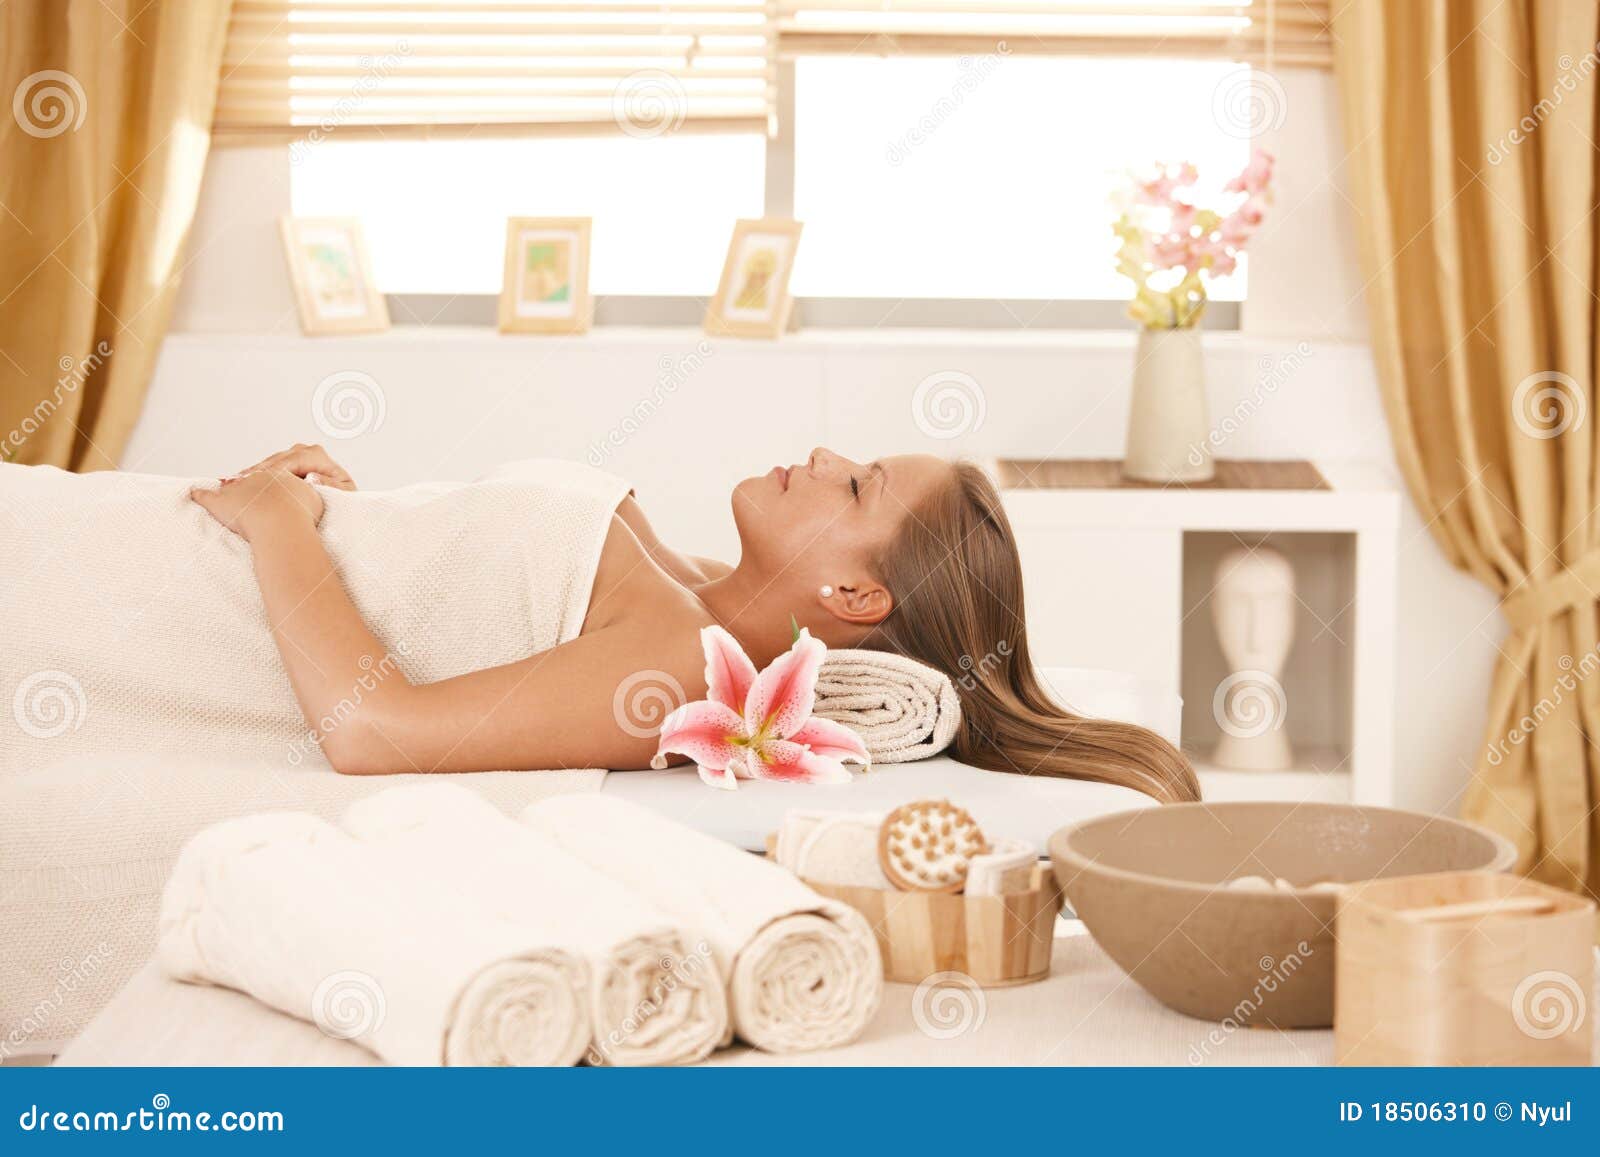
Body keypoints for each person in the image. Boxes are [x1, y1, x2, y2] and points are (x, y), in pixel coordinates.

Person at [190, 442, 1198, 802]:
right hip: (206, 549)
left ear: (854, 598)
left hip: (192, 578)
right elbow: (461, 595)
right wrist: (361, 527)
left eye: (855, 484)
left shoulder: (678, 664)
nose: (820, 450)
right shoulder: (689, 583)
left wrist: (282, 523)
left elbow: (373, 730)